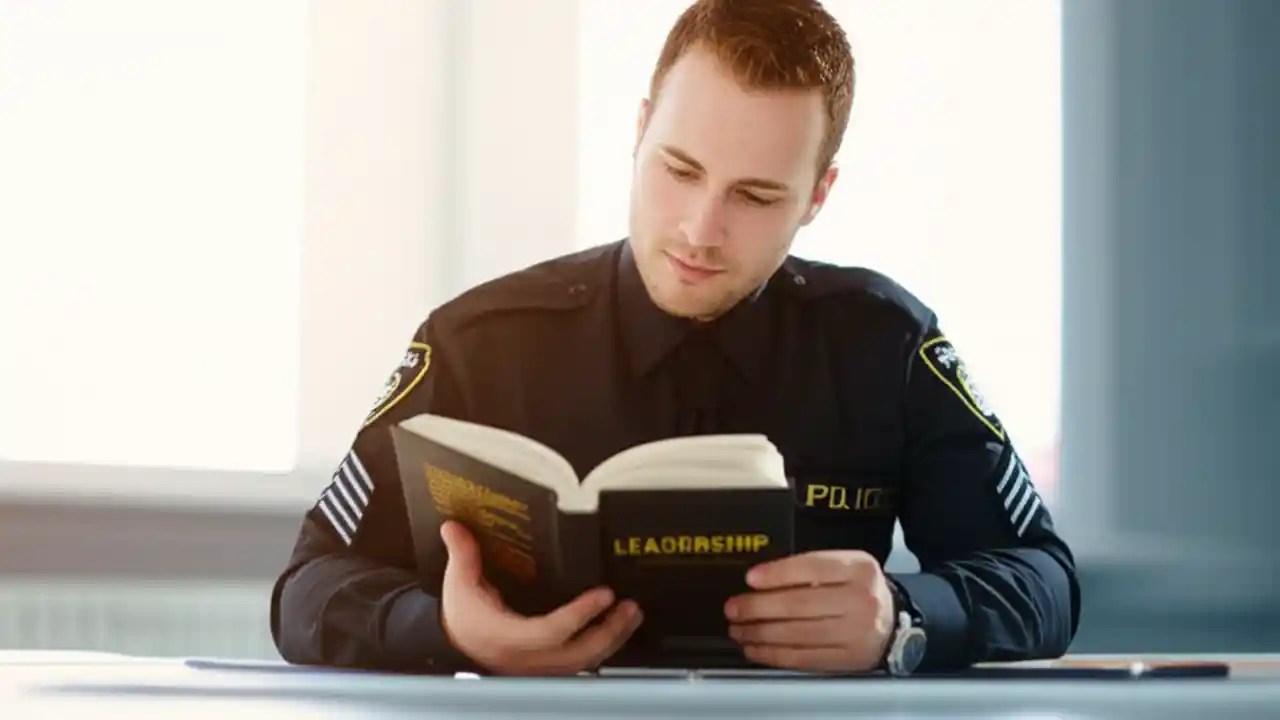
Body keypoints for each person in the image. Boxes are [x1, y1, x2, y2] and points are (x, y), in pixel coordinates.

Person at [270, 0, 1079, 677]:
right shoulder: (479, 342)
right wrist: (446, 631)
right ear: (640, 130)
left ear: (818, 195)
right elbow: (306, 588)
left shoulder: (886, 346)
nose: (700, 230)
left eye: (757, 196)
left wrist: (902, 614)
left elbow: (1045, 580)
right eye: (679, 170)